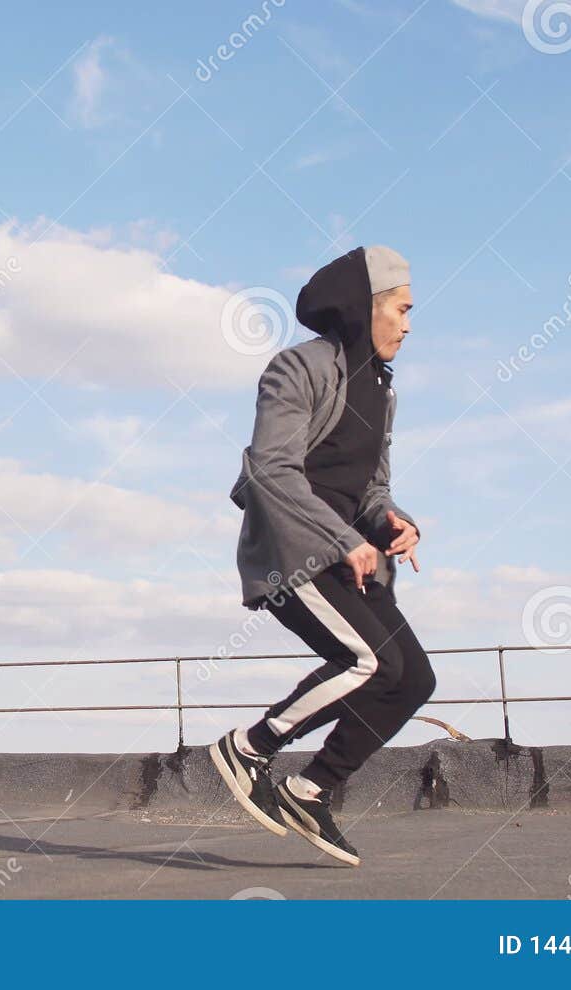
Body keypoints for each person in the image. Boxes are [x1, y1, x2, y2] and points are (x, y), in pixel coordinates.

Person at [211, 245, 435, 867]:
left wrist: (395, 521)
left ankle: (312, 790)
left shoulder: (381, 392)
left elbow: (370, 489)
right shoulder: (296, 369)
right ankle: (249, 748)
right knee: (366, 661)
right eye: (402, 309)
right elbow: (270, 471)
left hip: (353, 558)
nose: (409, 325)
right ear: (367, 308)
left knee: (412, 678)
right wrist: (344, 539)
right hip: (296, 553)